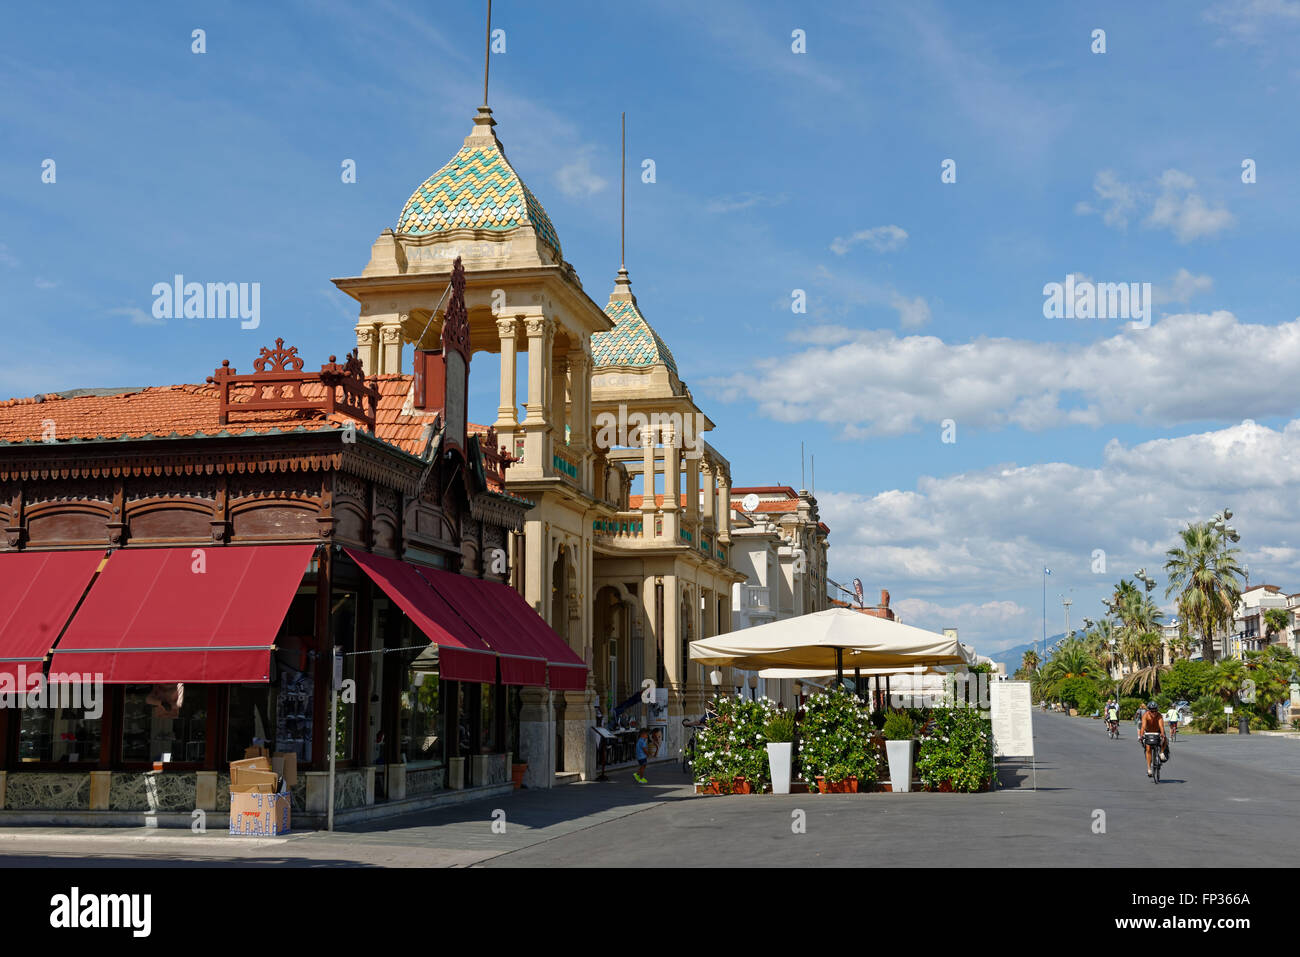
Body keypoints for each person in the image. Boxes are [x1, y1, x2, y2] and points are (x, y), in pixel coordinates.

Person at [1139, 700, 1167, 776]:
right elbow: (1143, 726)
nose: (1154, 713)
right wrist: (1141, 736)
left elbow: (1161, 726)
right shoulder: (1145, 715)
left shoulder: (1159, 715)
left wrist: (1162, 734)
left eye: (1155, 711)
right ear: (1149, 711)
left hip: (1157, 731)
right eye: (1152, 711)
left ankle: (1161, 752)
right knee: (1148, 748)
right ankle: (1149, 769)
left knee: (1165, 739)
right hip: (1148, 732)